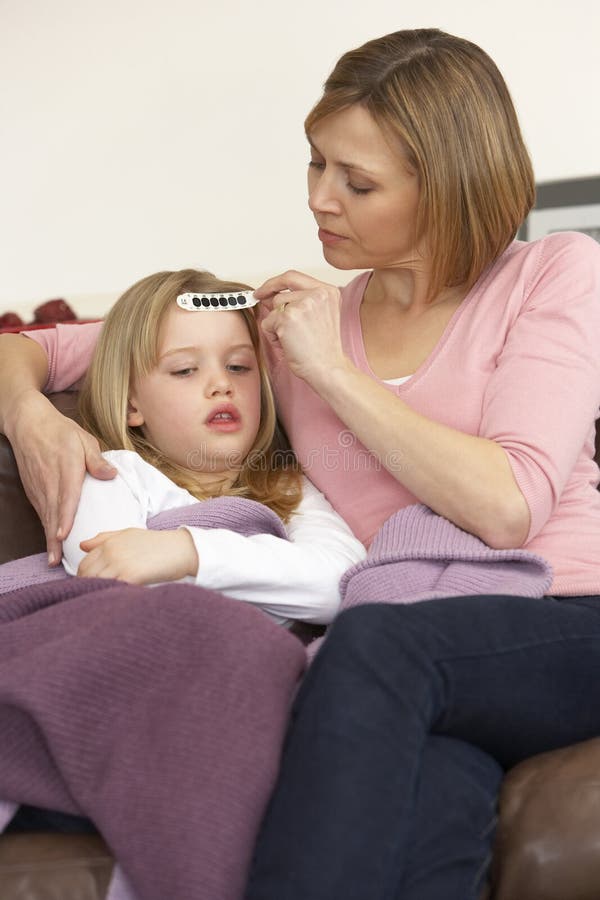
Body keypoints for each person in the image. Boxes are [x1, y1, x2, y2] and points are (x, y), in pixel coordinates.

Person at [1, 25, 600, 900]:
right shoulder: (265, 315)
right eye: (316, 164)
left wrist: (327, 367)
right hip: (416, 655)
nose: (321, 198)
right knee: (433, 803)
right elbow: (44, 349)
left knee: (374, 646)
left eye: (357, 182)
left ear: (447, 189)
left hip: (559, 616)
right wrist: (29, 419)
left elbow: (509, 503)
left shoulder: (553, 273)